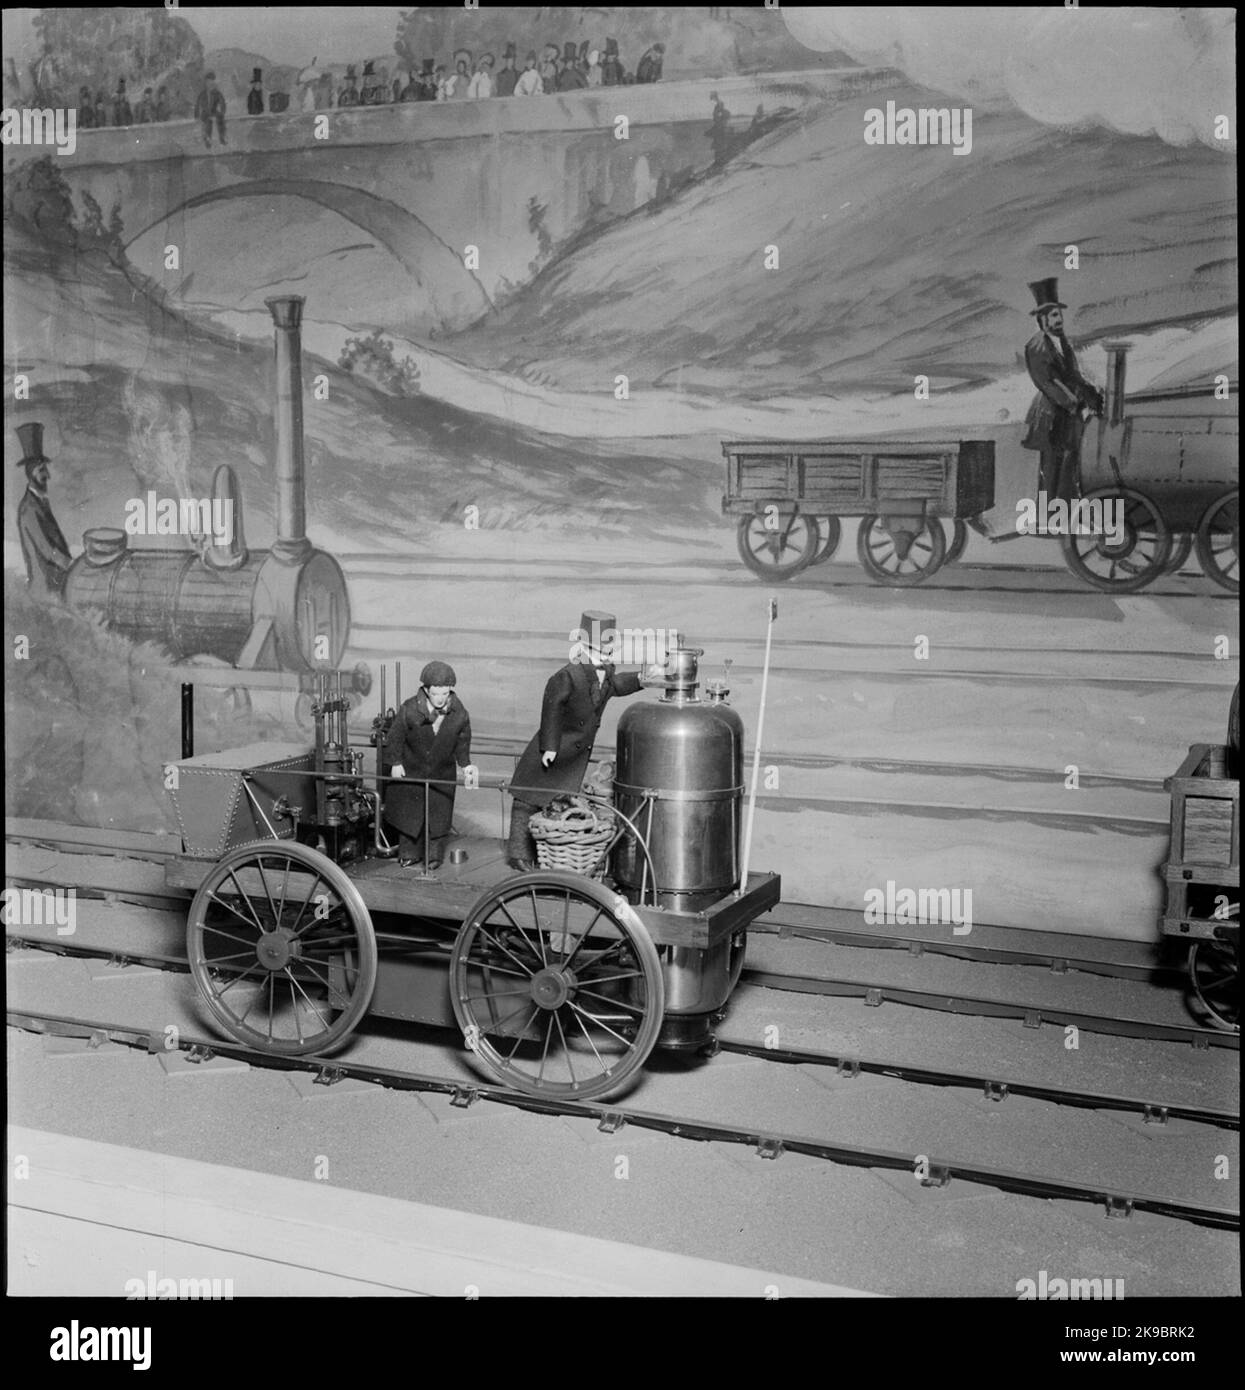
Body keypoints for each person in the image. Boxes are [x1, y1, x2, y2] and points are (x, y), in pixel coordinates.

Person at [506, 611, 656, 872]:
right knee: (527, 798)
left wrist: (642, 678)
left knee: (553, 800)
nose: (609, 656)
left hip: (574, 752)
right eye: (604, 650)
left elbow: (617, 685)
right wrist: (549, 746)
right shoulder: (568, 676)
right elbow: (551, 709)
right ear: (587, 647)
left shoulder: (605, 672)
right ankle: (519, 853)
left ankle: (547, 849)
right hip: (554, 748)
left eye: (610, 651)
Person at [1021, 278, 1103, 506]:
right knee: (1051, 468)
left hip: (1068, 415)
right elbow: (1047, 383)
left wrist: (1093, 395)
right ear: (1042, 319)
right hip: (1050, 417)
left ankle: (1066, 515)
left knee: (1070, 465)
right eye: (1054, 316)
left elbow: (1074, 376)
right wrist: (1074, 403)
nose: (1059, 320)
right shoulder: (1036, 346)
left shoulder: (1062, 341)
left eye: (1059, 315)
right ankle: (1048, 519)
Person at [383, 661, 473, 870]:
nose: (441, 699)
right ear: (425, 690)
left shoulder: (459, 713)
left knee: (438, 818)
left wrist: (465, 764)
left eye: (445, 693)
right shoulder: (410, 709)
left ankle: (434, 856)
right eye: (435, 694)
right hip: (411, 771)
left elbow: (463, 740)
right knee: (410, 817)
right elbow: (395, 737)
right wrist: (395, 762)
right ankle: (409, 854)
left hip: (442, 773)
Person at [14, 423, 73, 601]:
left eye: (45, 468)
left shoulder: (40, 502)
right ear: (30, 471)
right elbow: (47, 550)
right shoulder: (28, 509)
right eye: (41, 470)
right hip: (45, 593)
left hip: (56, 588)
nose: (47, 474)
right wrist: (74, 567)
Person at [194, 70, 226, 145]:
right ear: (205, 83)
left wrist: (223, 112)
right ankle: (207, 138)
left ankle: (222, 137)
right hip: (205, 113)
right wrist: (196, 116)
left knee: (220, 117)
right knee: (208, 121)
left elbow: (222, 103)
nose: (210, 84)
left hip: (214, 111)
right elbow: (197, 105)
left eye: (212, 82)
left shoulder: (217, 93)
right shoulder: (202, 94)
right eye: (208, 82)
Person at [708, 91, 731, 165]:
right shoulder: (719, 104)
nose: (712, 99)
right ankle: (718, 160)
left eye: (713, 97)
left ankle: (720, 160)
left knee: (719, 143)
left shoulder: (719, 104)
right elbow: (718, 115)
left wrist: (718, 119)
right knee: (718, 143)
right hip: (719, 126)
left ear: (715, 96)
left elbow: (719, 114)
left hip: (720, 126)